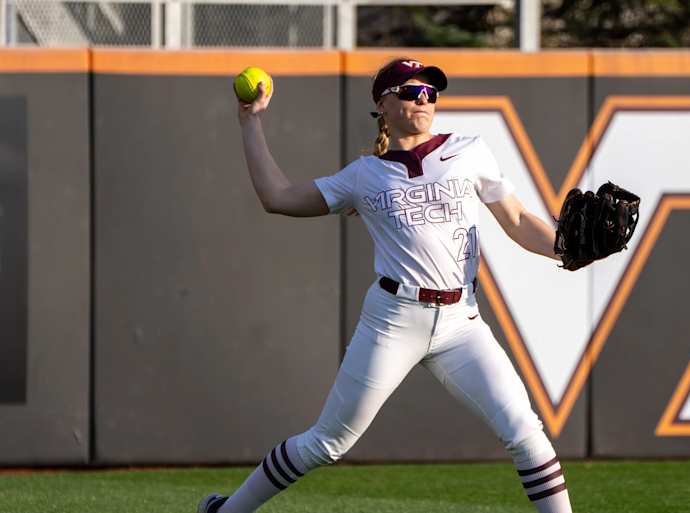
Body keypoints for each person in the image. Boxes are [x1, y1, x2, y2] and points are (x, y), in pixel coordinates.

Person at [198, 58, 573, 513]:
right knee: (327, 443)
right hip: (394, 319)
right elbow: (277, 198)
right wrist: (250, 121)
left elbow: (517, 221)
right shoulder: (364, 176)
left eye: (430, 93)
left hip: (462, 322)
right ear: (383, 104)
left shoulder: (470, 150)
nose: (424, 99)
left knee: (525, 432)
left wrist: (569, 250)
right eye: (412, 91)